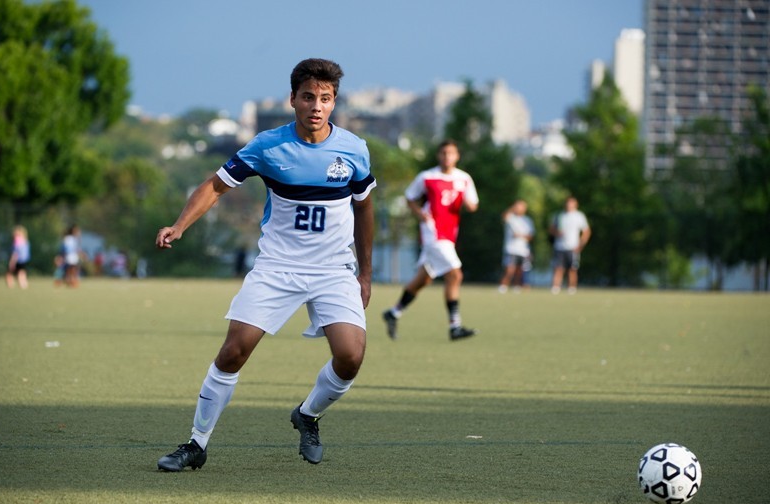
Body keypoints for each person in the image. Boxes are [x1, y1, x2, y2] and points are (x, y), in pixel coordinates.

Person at [155, 58, 376, 471]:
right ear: (292, 99)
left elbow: (364, 208)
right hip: (278, 266)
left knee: (350, 357)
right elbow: (215, 186)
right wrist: (180, 225)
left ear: (334, 102)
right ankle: (196, 444)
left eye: (325, 98)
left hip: (333, 271)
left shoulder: (354, 149)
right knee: (233, 351)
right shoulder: (268, 146)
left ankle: (307, 414)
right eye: (308, 97)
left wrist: (365, 273)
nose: (316, 106)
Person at [382, 140, 479, 341]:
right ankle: (455, 326)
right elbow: (410, 197)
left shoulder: (464, 178)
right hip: (433, 232)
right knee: (455, 274)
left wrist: (469, 205)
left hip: (450, 234)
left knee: (424, 279)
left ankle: (393, 313)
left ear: (457, 156)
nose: (447, 157)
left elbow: (473, 204)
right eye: (443, 153)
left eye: (451, 153)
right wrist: (420, 214)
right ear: (438, 155)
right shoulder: (427, 177)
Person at [549, 196, 591, 294]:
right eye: (567, 203)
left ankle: (572, 288)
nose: (569, 205)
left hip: (573, 247)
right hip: (559, 246)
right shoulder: (558, 215)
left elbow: (586, 231)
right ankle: (555, 288)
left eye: (571, 203)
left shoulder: (579, 216)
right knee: (558, 268)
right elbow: (551, 229)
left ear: (576, 205)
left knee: (572, 269)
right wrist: (557, 233)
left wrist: (581, 244)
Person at [498, 200, 534, 294]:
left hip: (523, 250)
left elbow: (530, 236)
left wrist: (520, 235)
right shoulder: (511, 218)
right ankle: (503, 286)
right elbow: (504, 216)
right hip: (511, 249)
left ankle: (517, 286)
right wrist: (512, 208)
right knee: (509, 269)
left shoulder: (528, 220)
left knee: (520, 270)